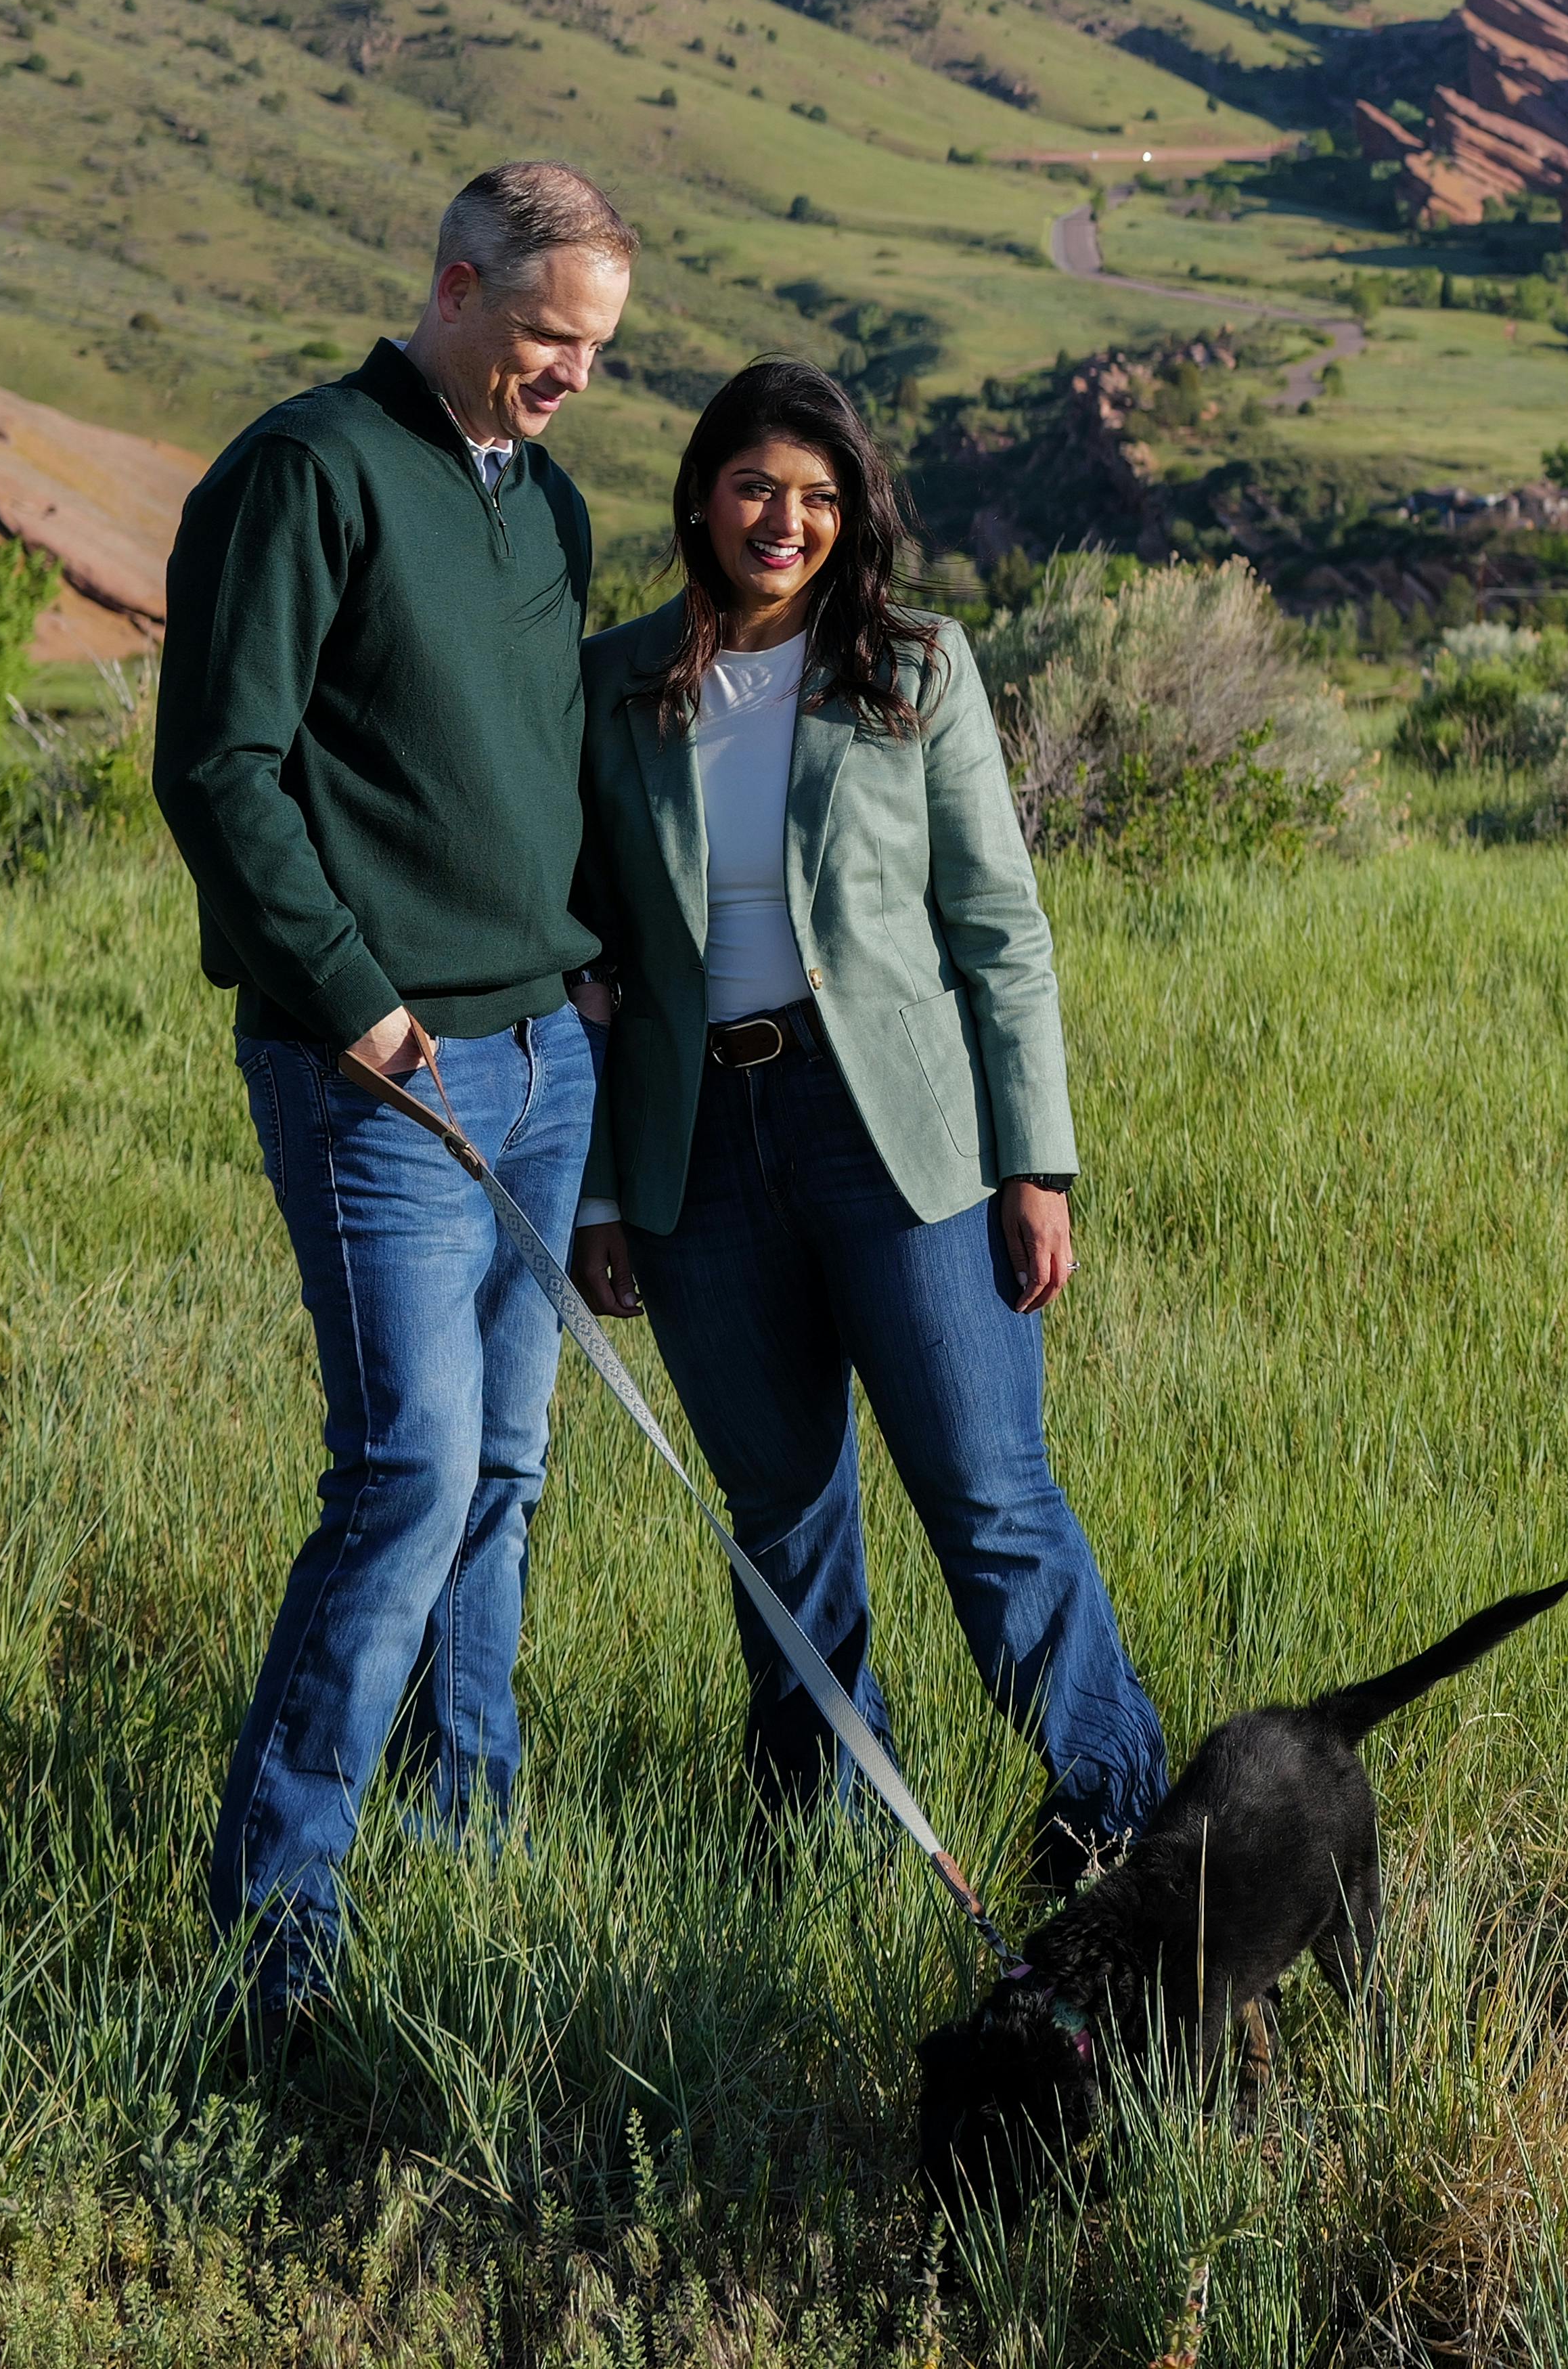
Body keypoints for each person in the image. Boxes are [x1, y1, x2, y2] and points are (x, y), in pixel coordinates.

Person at [564, 360, 1164, 1882]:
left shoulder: (916, 667)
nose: (789, 520)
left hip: (898, 1136)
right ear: (703, 493)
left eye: (822, 498)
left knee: (989, 1498)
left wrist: (1036, 1162)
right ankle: (826, 1840)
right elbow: (585, 959)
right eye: (762, 487)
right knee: (779, 1525)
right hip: (696, 1145)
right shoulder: (615, 684)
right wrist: (596, 1196)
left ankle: (1118, 1818)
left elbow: (999, 929)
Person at [152, 160, 634, 2021]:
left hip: (545, 1053)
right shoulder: (308, 468)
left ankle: (473, 1832)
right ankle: (276, 1942)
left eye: (593, 348)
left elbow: (539, 759)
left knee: (507, 1468)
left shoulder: (547, 499)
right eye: (541, 335)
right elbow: (221, 766)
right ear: (449, 287)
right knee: (410, 1471)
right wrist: (350, 994)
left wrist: (582, 953)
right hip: (384, 1074)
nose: (567, 373)